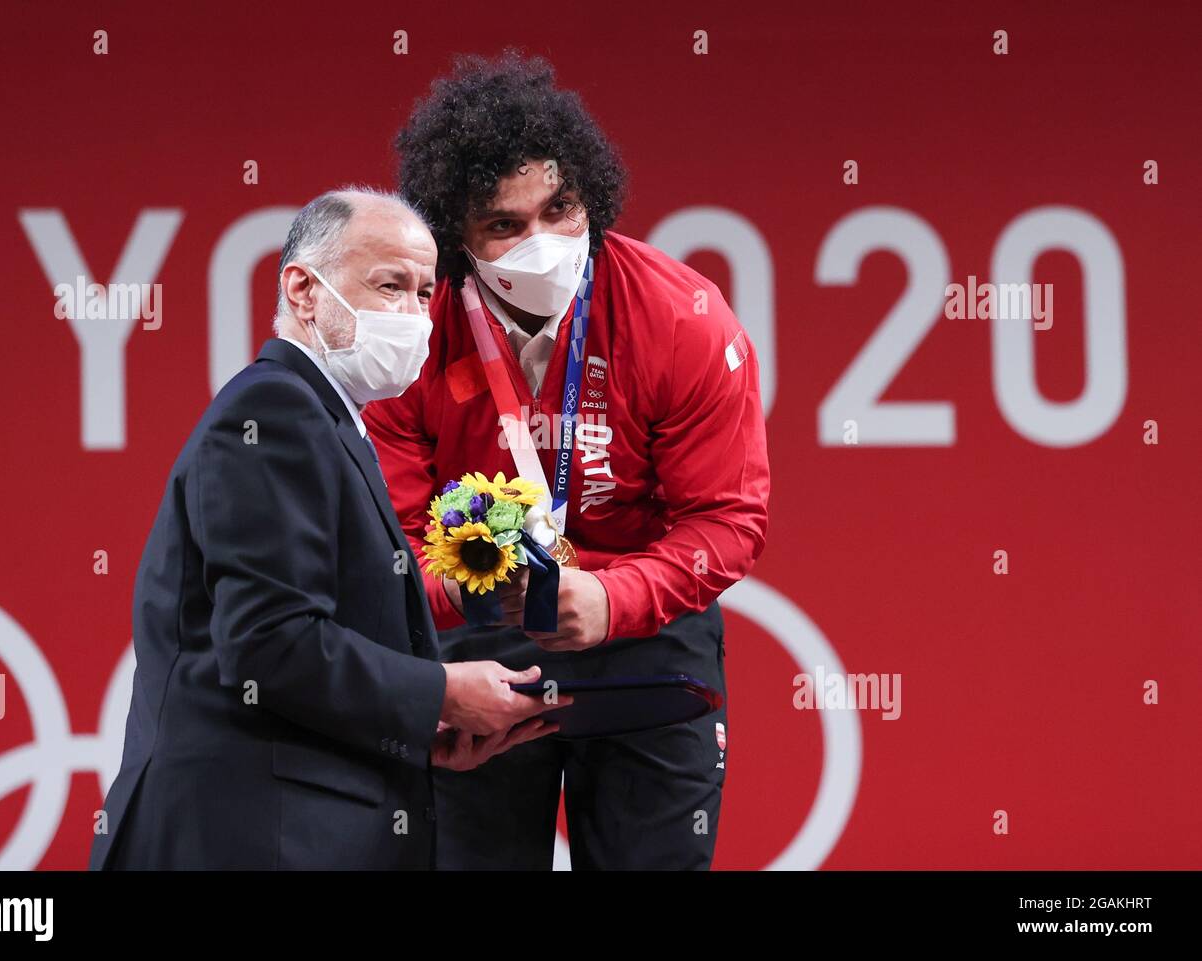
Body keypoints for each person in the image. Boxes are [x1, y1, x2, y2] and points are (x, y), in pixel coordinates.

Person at [364, 53, 771, 870]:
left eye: (560, 207)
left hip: (647, 631)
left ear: (591, 194)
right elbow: (384, 547)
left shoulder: (681, 318)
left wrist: (613, 601)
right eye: (505, 225)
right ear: (456, 239)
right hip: (475, 641)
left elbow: (729, 519)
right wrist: (468, 586)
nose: (542, 242)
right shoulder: (408, 338)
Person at [90, 188, 560, 871]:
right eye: (389, 284)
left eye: (424, 292)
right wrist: (444, 692)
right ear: (303, 291)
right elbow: (268, 641)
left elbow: (313, 648)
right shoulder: (274, 410)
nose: (412, 314)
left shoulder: (329, 421)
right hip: (243, 839)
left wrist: (418, 730)